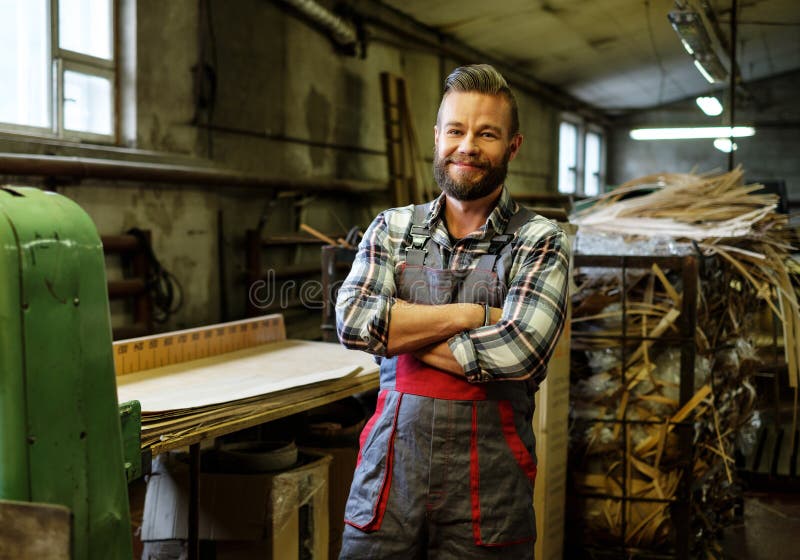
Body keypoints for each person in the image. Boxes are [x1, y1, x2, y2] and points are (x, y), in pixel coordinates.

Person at [335, 63, 571, 559]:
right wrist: (474, 317)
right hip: (388, 477)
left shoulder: (539, 240)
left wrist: (402, 333)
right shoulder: (393, 228)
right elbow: (354, 321)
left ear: (513, 146)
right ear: (437, 136)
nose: (468, 146)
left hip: (490, 490)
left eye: (487, 134)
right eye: (457, 130)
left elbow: (519, 353)